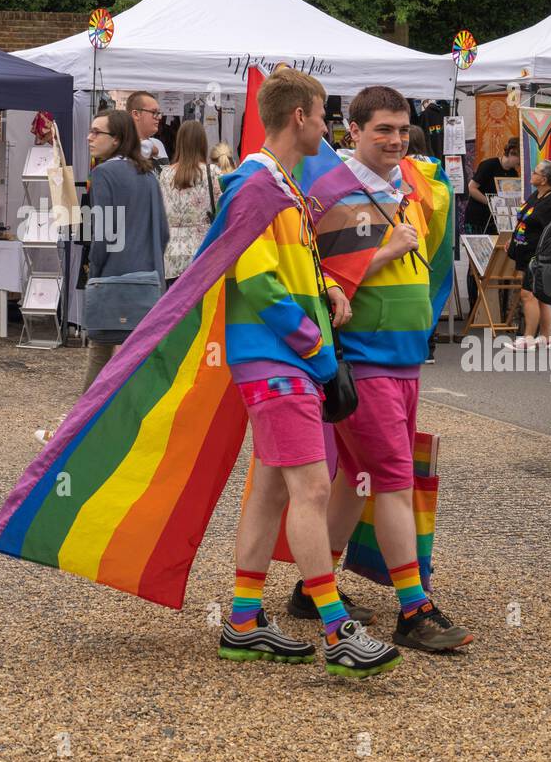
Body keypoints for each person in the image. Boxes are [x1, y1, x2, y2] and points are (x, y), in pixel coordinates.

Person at [219, 67, 401, 676]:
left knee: (273, 487)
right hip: (281, 361)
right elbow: (258, 283)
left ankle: (244, 620)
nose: (327, 128)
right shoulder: (256, 185)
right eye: (324, 116)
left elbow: (285, 269)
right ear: (300, 116)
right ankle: (336, 629)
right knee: (313, 489)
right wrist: (318, 353)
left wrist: (325, 287)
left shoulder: (278, 185)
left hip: (279, 359)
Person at [289, 85, 474, 654]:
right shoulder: (335, 193)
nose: (395, 140)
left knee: (357, 474)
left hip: (402, 360)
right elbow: (325, 282)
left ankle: (309, 590)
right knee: (395, 481)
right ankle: (414, 610)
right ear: (353, 132)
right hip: (363, 361)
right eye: (382, 131)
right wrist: (387, 251)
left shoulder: (405, 186)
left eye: (401, 129)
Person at [82, 108, 169, 390]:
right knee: (139, 360)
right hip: (149, 281)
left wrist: (94, 270)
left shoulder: (104, 173)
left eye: (97, 132)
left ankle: (83, 427)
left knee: (100, 351)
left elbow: (104, 232)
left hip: (114, 278)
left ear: (117, 139)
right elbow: (163, 232)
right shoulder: (148, 175)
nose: (89, 137)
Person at [507, 160, 551, 350]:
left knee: (528, 294)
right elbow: (525, 218)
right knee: (540, 296)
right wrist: (515, 238)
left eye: (535, 172)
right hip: (526, 252)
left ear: (544, 179)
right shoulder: (537, 195)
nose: (532, 174)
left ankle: (528, 338)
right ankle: (546, 337)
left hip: (538, 256)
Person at [158, 121, 221, 284]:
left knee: (175, 307)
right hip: (202, 250)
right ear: (202, 143)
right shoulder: (211, 172)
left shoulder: (165, 174)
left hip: (170, 252)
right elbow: (221, 207)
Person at [466, 137, 519, 232]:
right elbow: (471, 188)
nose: (520, 162)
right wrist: (491, 203)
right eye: (519, 158)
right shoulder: (488, 165)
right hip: (477, 218)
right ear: (511, 152)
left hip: (495, 221)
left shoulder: (513, 173)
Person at [125, 91, 169, 163]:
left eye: (159, 113)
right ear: (136, 114)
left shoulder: (158, 144)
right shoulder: (123, 148)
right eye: (154, 112)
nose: (159, 117)